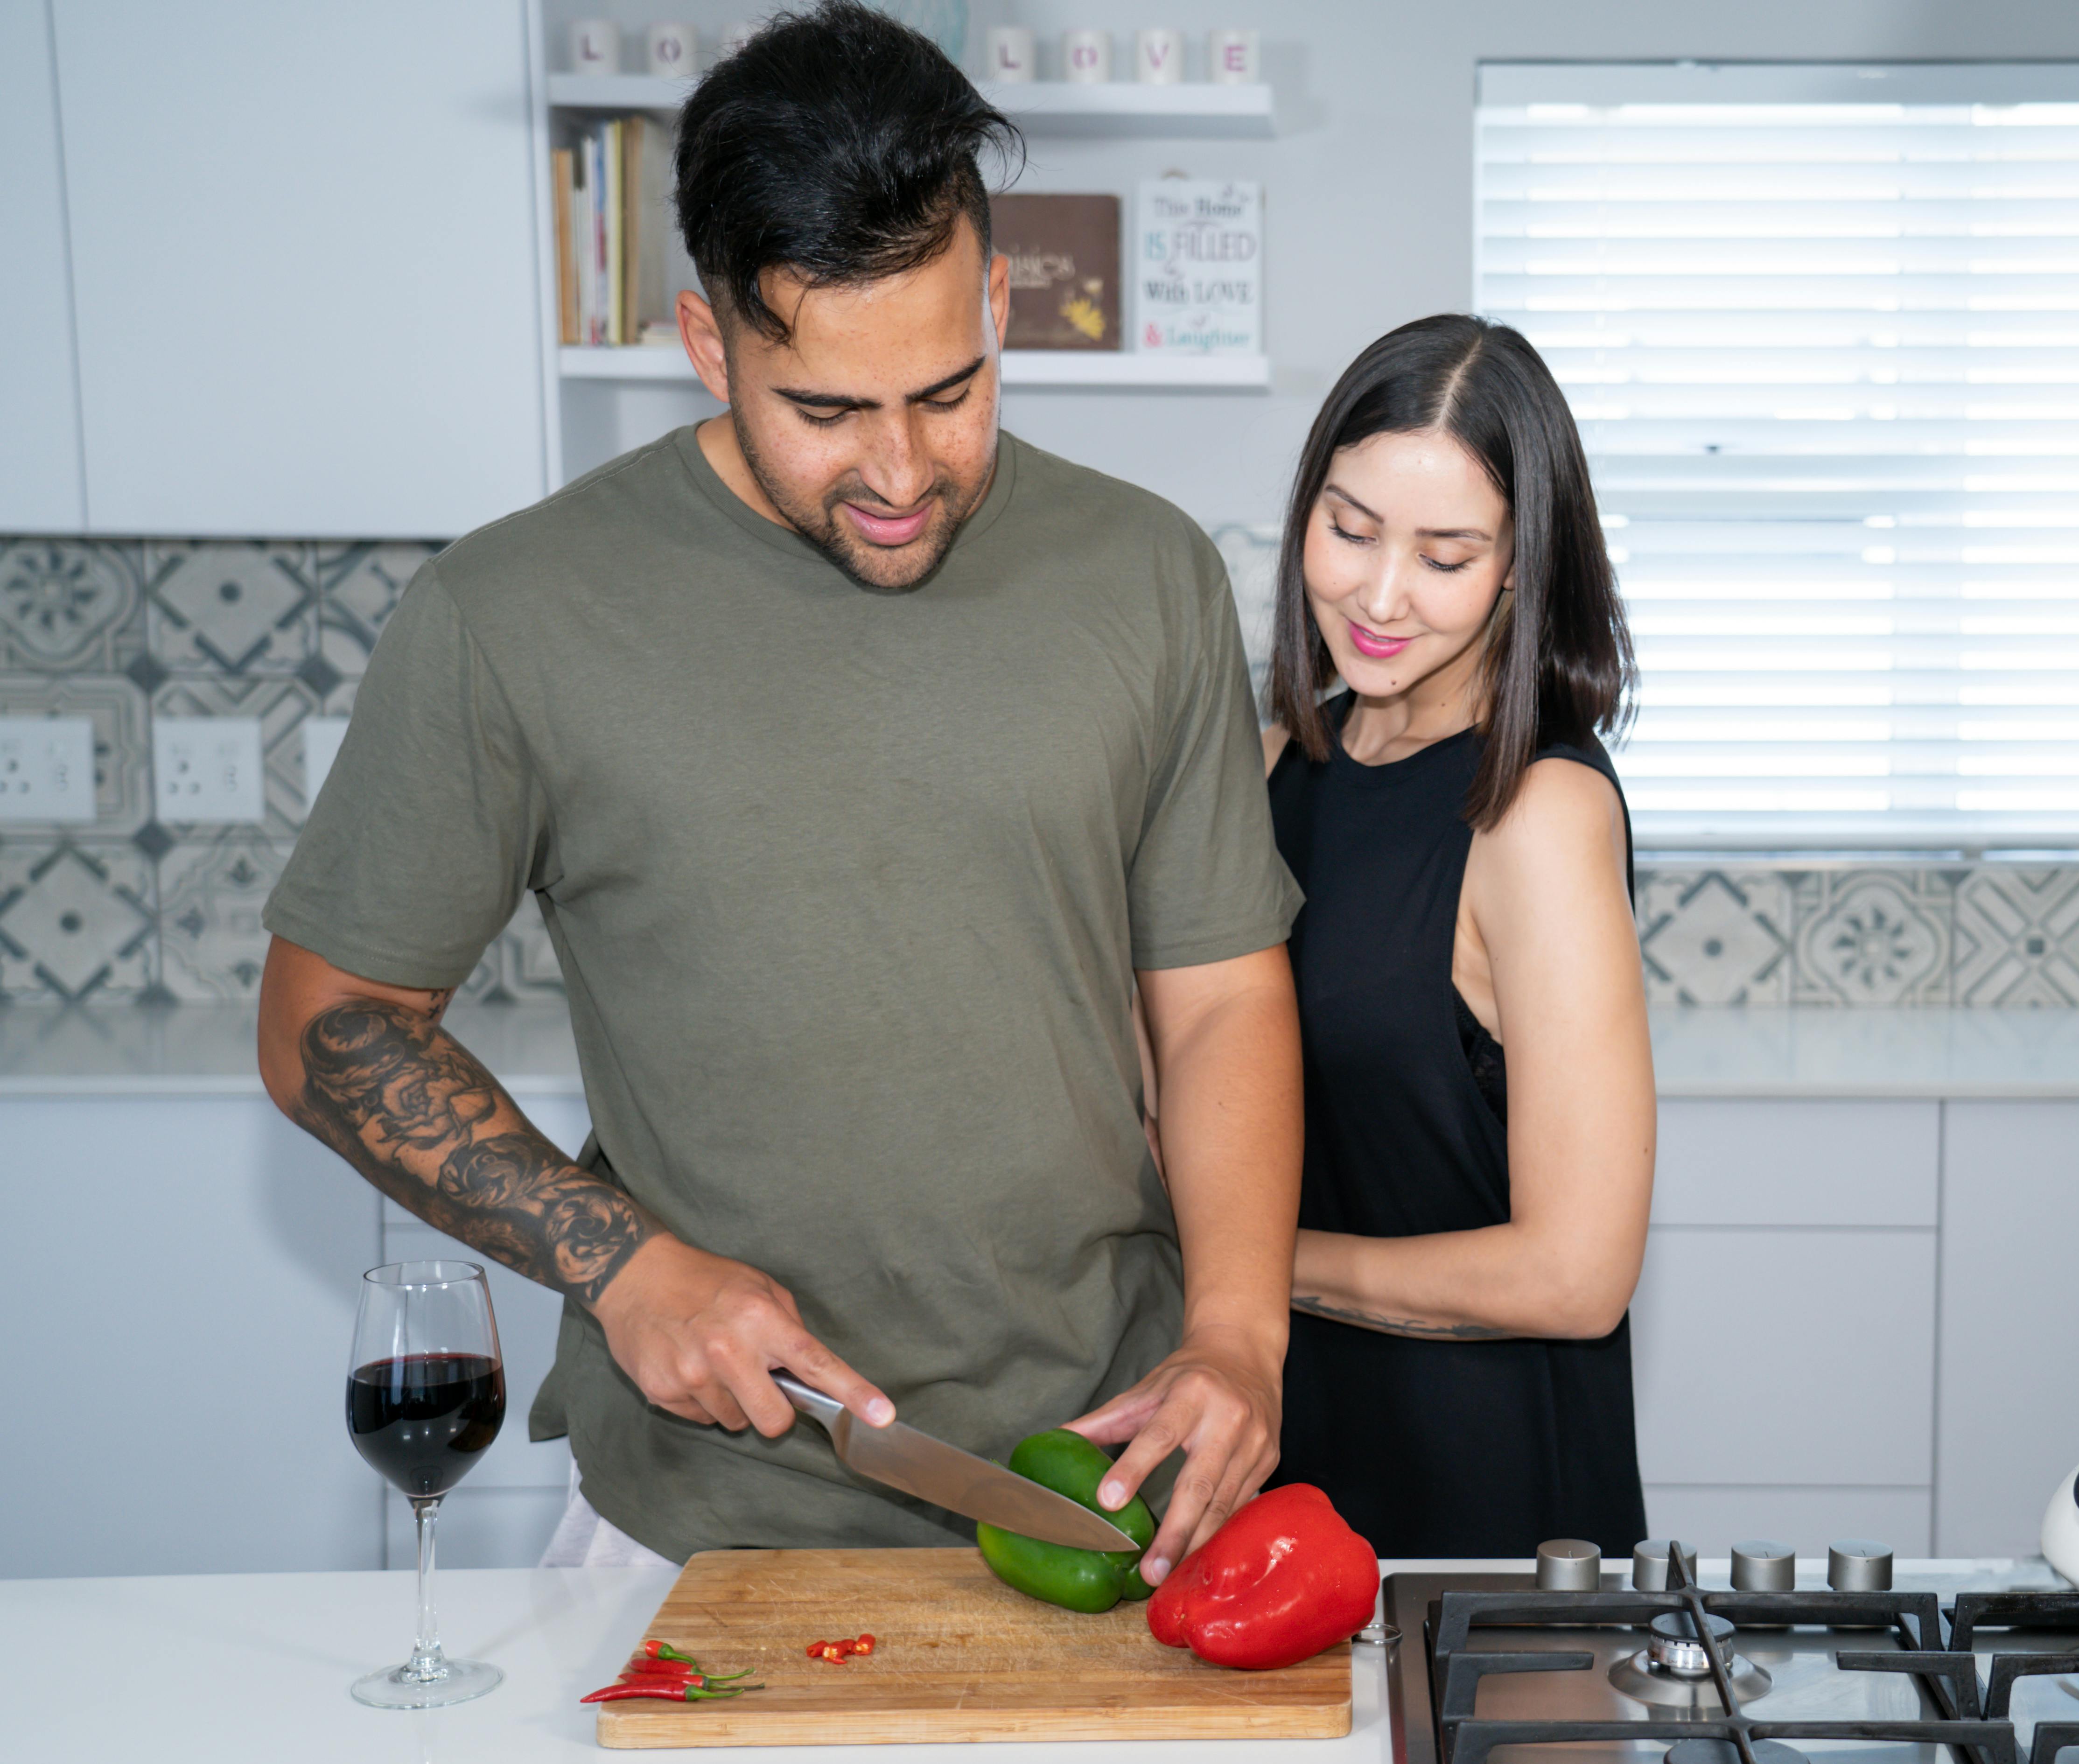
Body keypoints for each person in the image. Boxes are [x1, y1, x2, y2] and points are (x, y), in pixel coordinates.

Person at [252, 2, 1301, 1584]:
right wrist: (620, 1266)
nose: (898, 471)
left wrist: (1237, 1337)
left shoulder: (1148, 574)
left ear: (1000, 300)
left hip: (1101, 1489)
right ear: (707, 341)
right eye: (823, 410)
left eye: (949, 390)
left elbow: (1221, 997)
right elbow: (325, 1018)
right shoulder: (514, 614)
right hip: (687, 1526)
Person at [1261, 315, 1654, 1557]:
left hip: (1481, 1497)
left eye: (1445, 555)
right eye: (1351, 528)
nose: (1379, 596)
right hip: (1279, 1453)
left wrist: (1247, 1262)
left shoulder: (1537, 812)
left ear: (1520, 569)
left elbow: (1576, 1276)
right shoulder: (1278, 762)